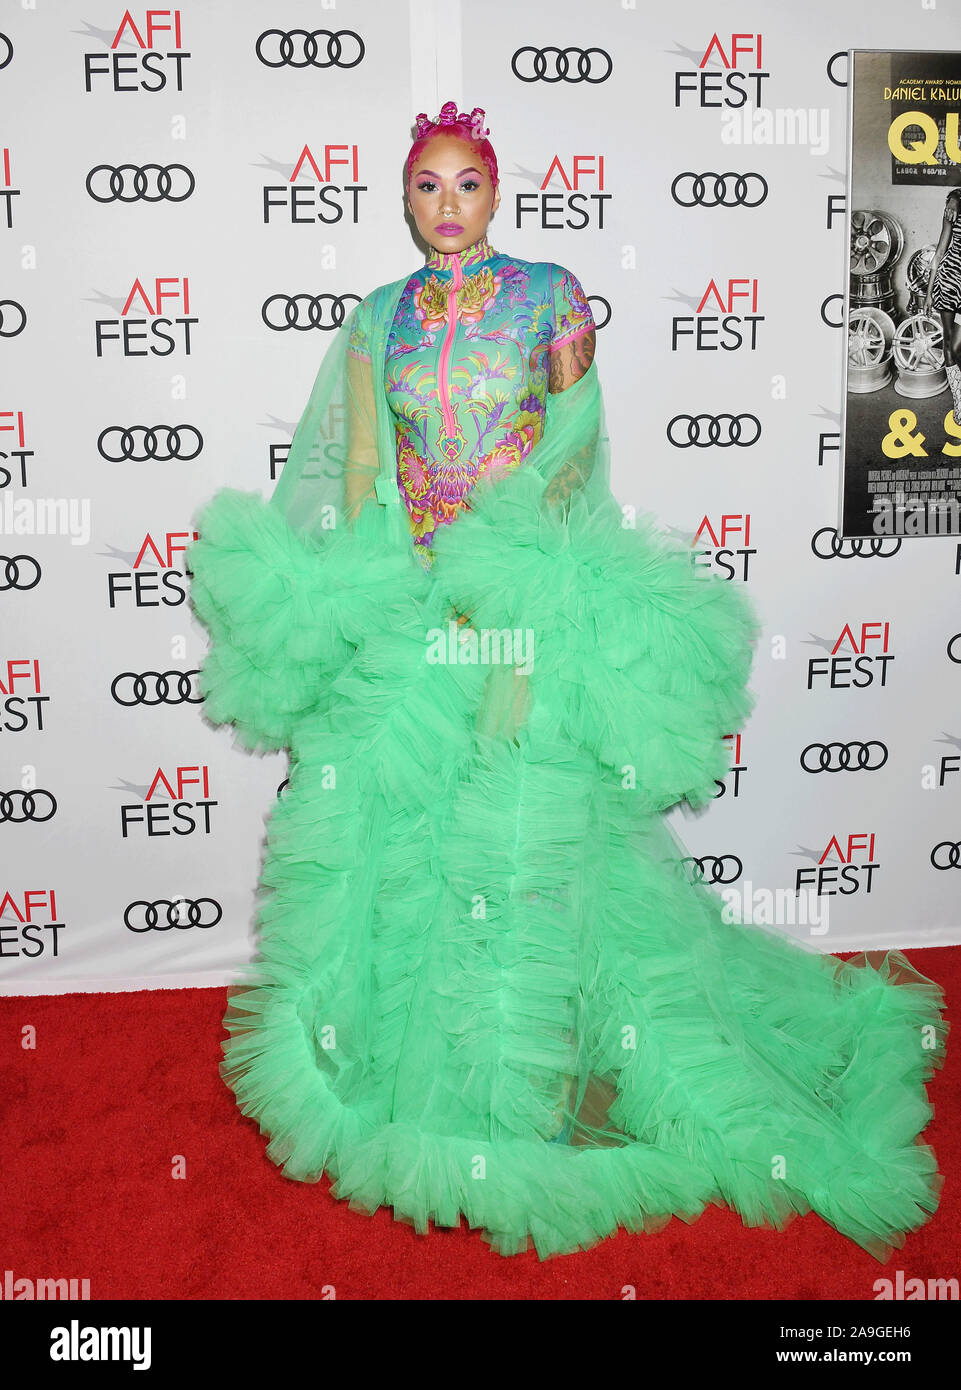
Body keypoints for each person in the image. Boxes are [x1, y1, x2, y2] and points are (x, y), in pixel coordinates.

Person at [187, 101, 948, 1261]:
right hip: (409, 606)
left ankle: (525, 1083)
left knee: (527, 837)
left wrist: (509, 579)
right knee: (399, 839)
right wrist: (360, 582)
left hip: (520, 602)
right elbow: (352, 467)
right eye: (427, 185)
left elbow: (573, 442)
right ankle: (414, 1070)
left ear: (498, 193)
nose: (447, 203)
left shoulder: (549, 296)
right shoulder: (376, 319)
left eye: (467, 183)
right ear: (405, 197)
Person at [924, 186, 961, 423]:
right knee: (950, 343)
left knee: (958, 347)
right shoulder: (956, 200)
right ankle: (959, 402)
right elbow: (940, 251)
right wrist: (928, 293)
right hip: (951, 280)